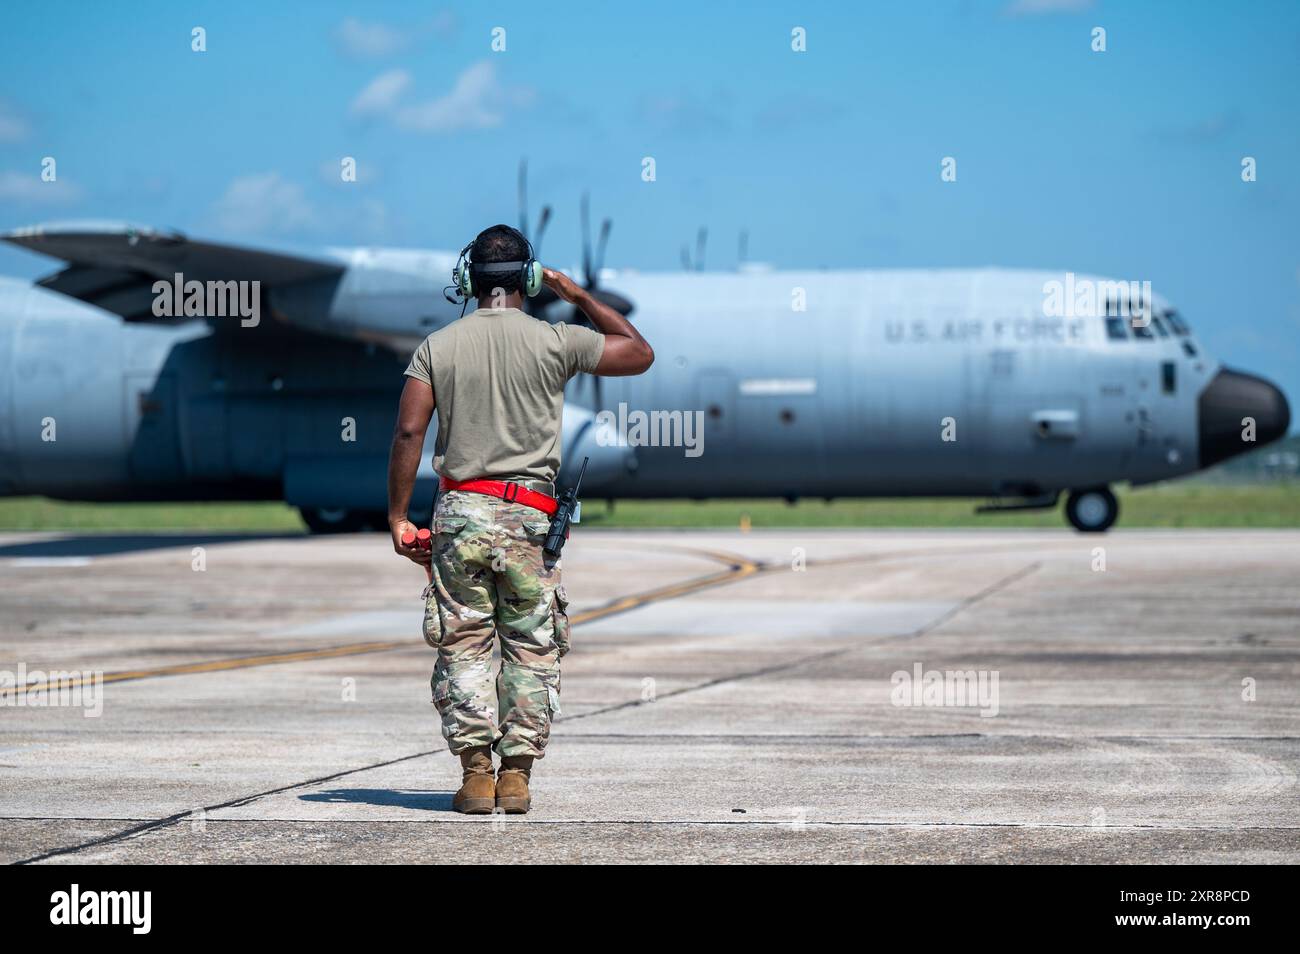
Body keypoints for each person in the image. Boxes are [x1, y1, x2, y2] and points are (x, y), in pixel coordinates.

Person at [386, 224, 653, 814]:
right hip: (531, 519)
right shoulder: (557, 341)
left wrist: (400, 517)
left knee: (463, 646)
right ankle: (517, 778)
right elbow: (638, 352)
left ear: (467, 280)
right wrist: (579, 295)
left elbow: (409, 430)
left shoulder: (437, 346)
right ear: (530, 279)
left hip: (459, 515)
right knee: (532, 647)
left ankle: (476, 776)